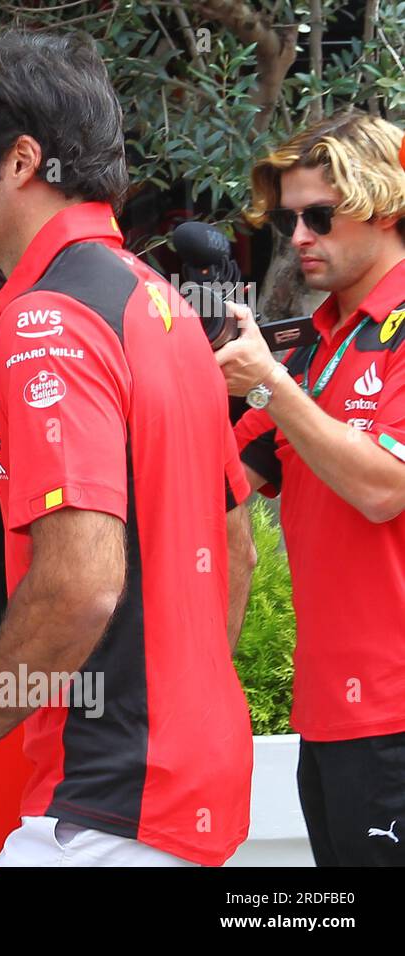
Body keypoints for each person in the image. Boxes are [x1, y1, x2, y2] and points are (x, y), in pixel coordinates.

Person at [0, 29, 256, 867]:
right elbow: (234, 551)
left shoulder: (48, 321)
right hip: (182, 795)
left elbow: (80, 586)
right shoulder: (159, 300)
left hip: (107, 809)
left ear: (20, 162)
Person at [218, 110, 405, 866]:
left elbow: (384, 487)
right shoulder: (318, 341)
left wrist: (269, 386)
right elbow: (225, 481)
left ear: (385, 205)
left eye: (319, 216)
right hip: (330, 715)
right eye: (292, 219)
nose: (298, 238)